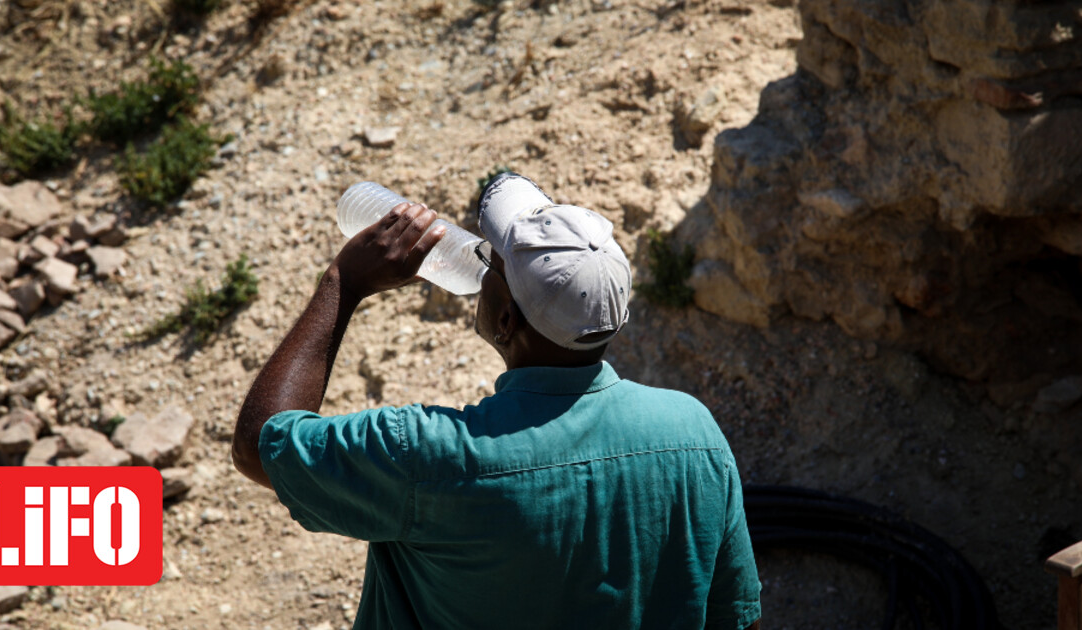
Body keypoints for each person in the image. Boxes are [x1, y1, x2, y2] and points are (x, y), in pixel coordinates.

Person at [233, 173, 762, 630]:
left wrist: (343, 283)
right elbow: (739, 617)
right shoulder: (694, 435)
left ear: (507, 320)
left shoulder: (431, 458)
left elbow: (260, 444)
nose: (480, 268)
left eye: (491, 263)